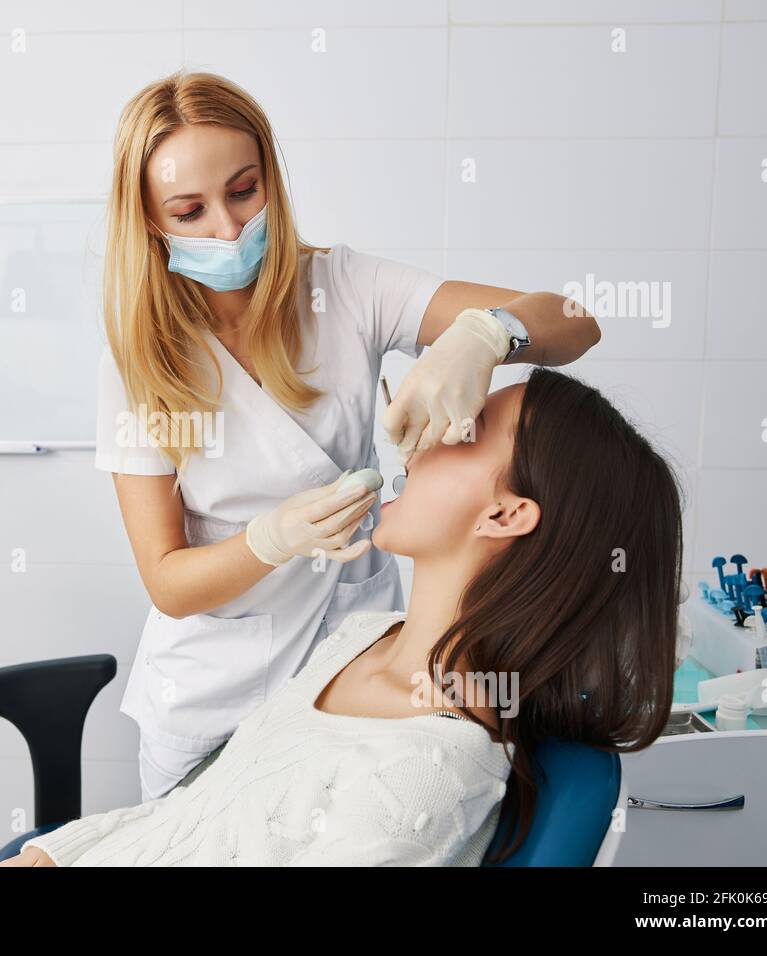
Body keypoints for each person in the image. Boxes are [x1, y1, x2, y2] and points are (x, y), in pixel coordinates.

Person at [98, 70, 601, 801]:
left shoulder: (345, 287)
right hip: (209, 700)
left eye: (244, 191)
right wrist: (270, 541)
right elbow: (168, 583)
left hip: (349, 672)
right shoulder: (141, 356)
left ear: (271, 174)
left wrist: (489, 334)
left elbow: (579, 320)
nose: (229, 229)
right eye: (190, 210)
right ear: (149, 220)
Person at [0, 368, 683, 865]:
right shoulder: (362, 639)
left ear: (506, 513)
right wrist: (63, 855)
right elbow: (206, 819)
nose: (423, 444)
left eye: (465, 432)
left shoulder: (426, 772)